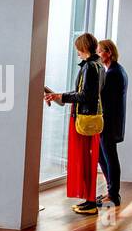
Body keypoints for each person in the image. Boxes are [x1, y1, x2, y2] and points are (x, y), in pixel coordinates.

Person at [44, 33, 105, 215]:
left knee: (84, 160)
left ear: (84, 48)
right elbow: (85, 92)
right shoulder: (99, 65)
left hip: (84, 119)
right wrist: (59, 96)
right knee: (88, 160)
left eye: (78, 48)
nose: (77, 52)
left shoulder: (89, 67)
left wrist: (61, 97)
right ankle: (89, 200)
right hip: (92, 117)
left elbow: (86, 95)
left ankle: (90, 202)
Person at [96, 39, 128, 209]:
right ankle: (111, 192)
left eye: (100, 51)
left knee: (110, 158)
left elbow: (105, 99)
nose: (98, 54)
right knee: (103, 157)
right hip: (110, 122)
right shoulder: (115, 70)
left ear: (108, 52)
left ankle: (113, 195)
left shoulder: (114, 73)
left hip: (109, 123)